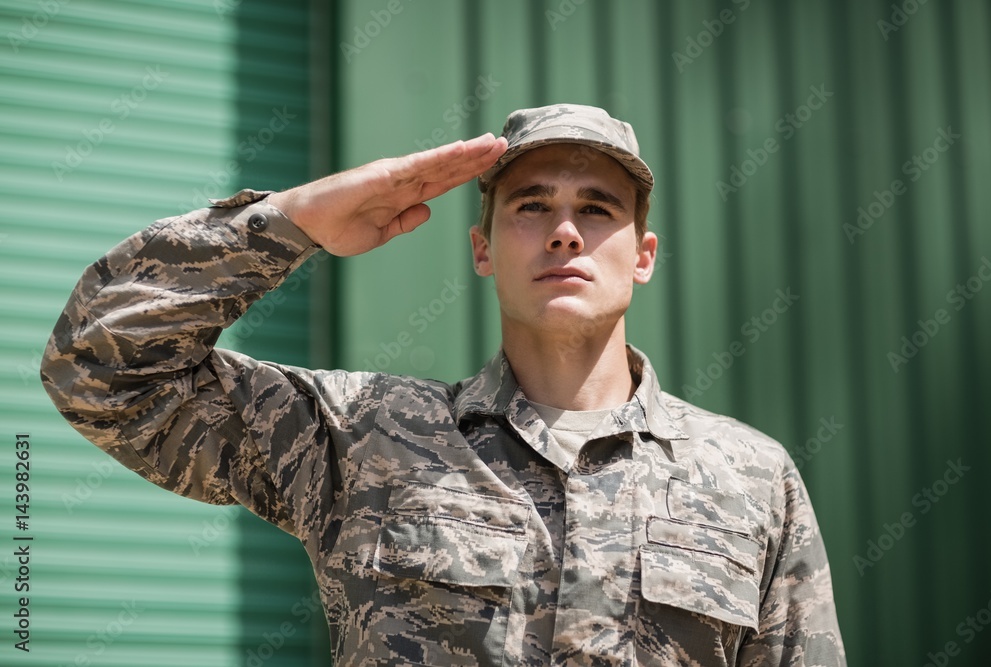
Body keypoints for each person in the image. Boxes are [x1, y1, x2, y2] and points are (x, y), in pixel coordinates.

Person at [41, 103, 846, 665]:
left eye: (597, 209)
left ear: (643, 254)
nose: (565, 228)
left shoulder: (750, 477)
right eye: (532, 204)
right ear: (483, 247)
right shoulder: (364, 435)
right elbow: (101, 364)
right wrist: (299, 219)